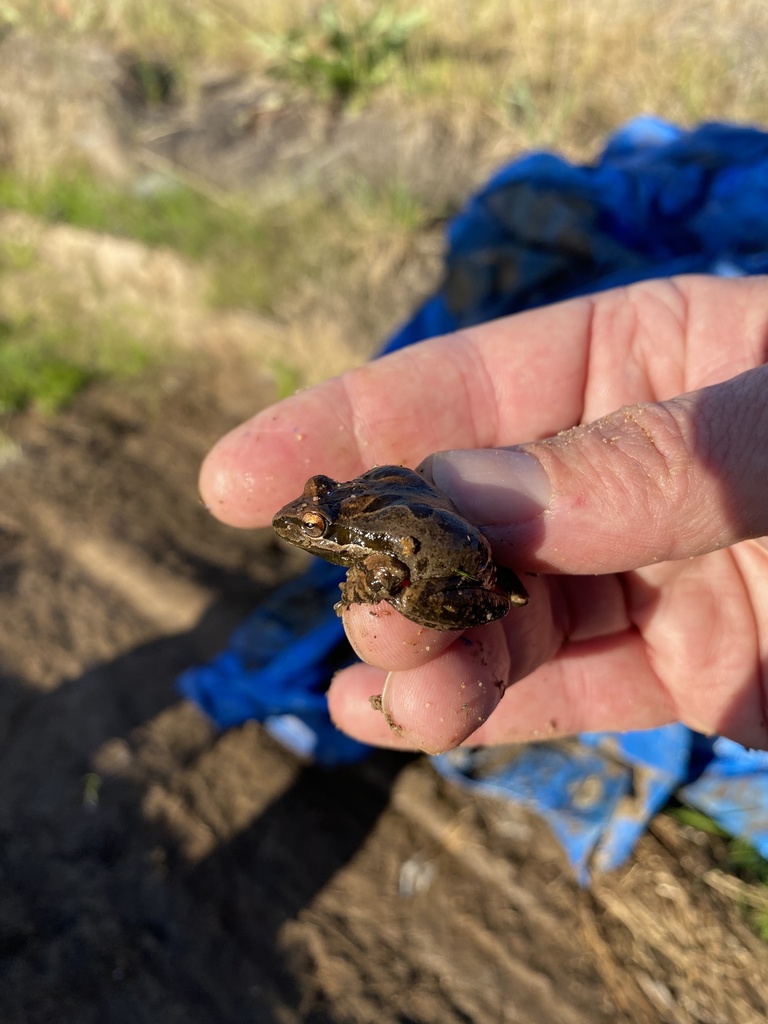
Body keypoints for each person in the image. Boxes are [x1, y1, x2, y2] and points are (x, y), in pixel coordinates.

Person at [199, 275, 768, 755]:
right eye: (315, 510)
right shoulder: (365, 502)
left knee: (405, 610)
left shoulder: (366, 537)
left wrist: (362, 587)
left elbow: (389, 574)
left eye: (316, 522)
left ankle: (492, 592)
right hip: (456, 540)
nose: (305, 520)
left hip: (459, 564)